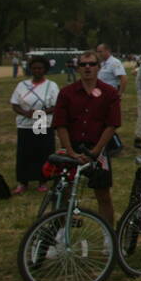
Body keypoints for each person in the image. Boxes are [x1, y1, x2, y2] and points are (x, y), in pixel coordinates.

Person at [53, 50, 122, 226]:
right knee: (63, 193)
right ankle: (61, 232)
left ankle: (108, 237)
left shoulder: (109, 93)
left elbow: (112, 124)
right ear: (78, 68)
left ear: (99, 67)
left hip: (97, 148)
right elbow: (60, 124)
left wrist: (96, 151)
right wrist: (69, 151)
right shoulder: (66, 93)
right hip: (72, 146)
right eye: (83, 64)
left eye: (92, 64)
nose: (88, 68)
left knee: (103, 195)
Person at [8, 55, 59, 194]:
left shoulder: (51, 86)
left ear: (45, 69)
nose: (37, 71)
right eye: (34, 68)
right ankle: (23, 182)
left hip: (42, 121)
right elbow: (14, 104)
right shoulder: (22, 85)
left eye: (40, 68)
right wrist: (26, 113)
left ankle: (42, 181)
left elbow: (57, 105)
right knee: (24, 153)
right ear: (30, 69)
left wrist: (40, 113)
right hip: (25, 124)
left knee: (41, 152)